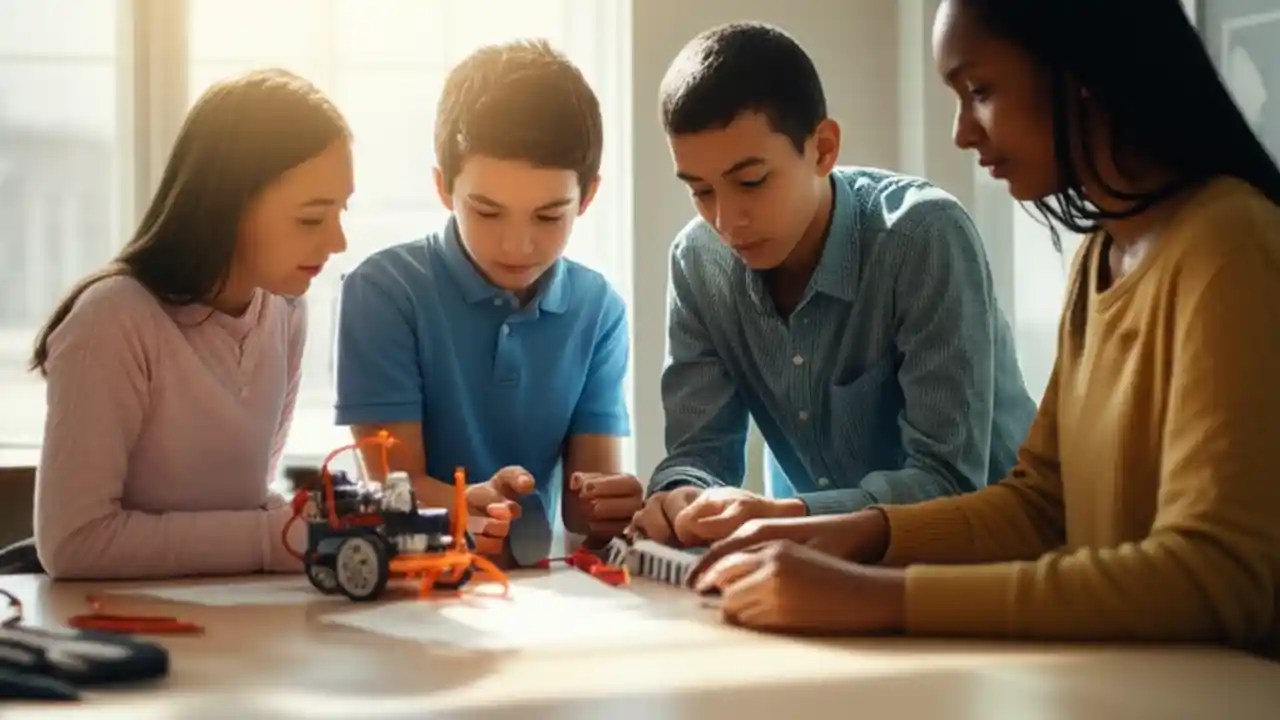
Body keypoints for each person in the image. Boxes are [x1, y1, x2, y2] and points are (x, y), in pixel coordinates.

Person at [691, 0, 1280, 655]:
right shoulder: (1101, 256)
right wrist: (858, 533)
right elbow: (1041, 506)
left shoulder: (1229, 243)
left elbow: (1216, 576)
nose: (962, 134)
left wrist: (873, 596)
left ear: (1080, 70)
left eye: (980, 92)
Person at [630, 22, 1035, 548]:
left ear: (822, 149)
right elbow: (698, 454)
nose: (727, 221)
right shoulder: (698, 261)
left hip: (995, 566)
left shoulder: (922, 236)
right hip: (828, 572)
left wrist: (789, 515)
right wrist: (682, 497)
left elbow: (949, 482)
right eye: (701, 191)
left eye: (751, 182)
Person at [32, 69, 353, 579]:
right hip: (117, 624)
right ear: (229, 205)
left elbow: (243, 503)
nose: (338, 242)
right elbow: (73, 543)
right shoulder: (112, 320)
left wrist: (327, 529)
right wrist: (280, 540)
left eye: (341, 211)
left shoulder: (287, 311)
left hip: (228, 618)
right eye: (311, 218)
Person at [334, 40, 638, 568]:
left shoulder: (598, 310)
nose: (517, 246)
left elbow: (586, 516)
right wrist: (461, 503)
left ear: (587, 197)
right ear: (443, 188)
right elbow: (390, 490)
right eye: (487, 212)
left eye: (548, 217)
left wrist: (620, 503)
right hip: (415, 582)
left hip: (538, 593)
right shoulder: (384, 291)